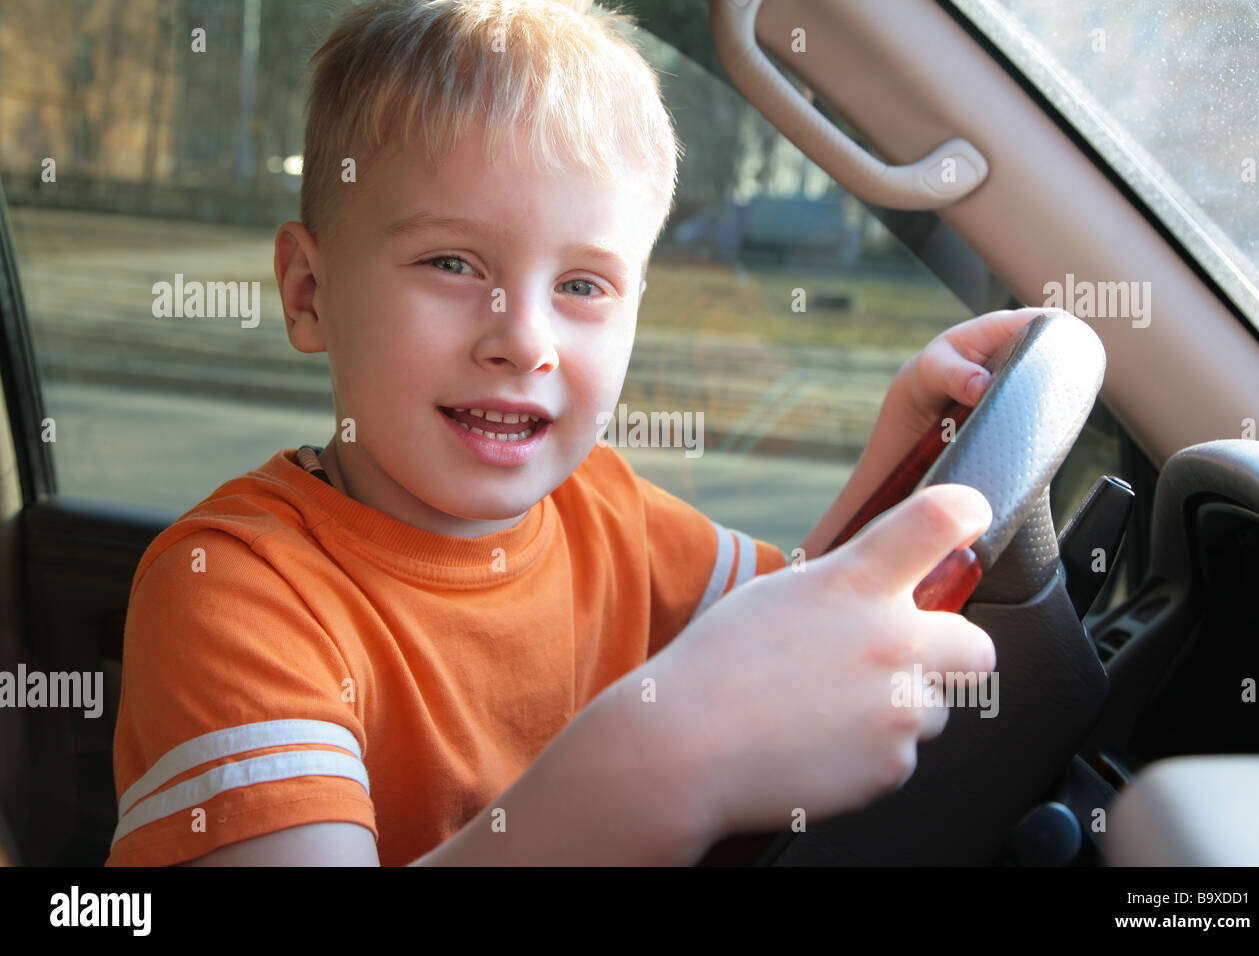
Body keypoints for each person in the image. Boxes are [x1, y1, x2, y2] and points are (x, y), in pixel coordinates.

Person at [106, 0, 1039, 866]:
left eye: (584, 286)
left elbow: (796, 643)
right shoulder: (233, 592)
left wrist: (903, 452)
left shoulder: (608, 509)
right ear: (310, 293)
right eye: (452, 262)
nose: (523, 339)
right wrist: (662, 759)